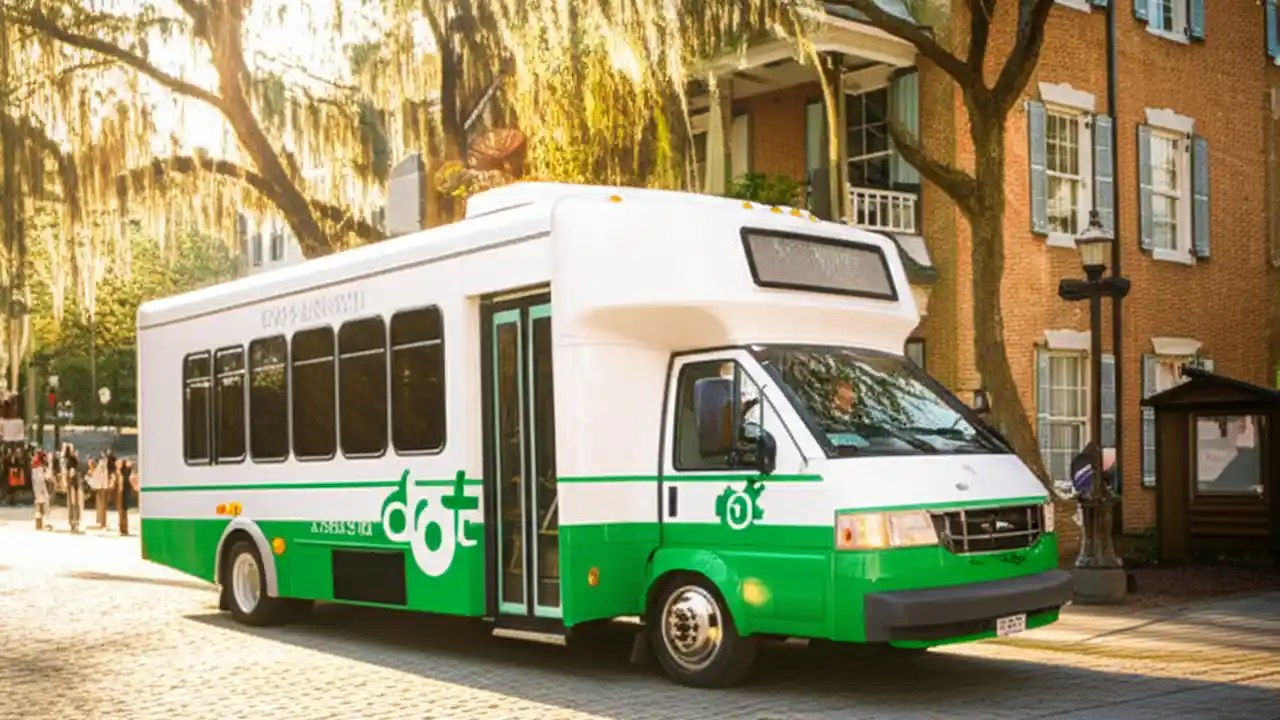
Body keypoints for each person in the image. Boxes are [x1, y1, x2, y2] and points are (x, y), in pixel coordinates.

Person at [63, 444, 82, 533]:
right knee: (74, 503)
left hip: (73, 484)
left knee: (72, 503)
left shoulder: (69, 460)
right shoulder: (70, 460)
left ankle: (73, 522)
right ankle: (74, 522)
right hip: (73, 484)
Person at [117, 459, 134, 536]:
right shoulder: (124, 471)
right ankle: (124, 529)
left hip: (122, 493)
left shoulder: (123, 472)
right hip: (124, 492)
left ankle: (123, 529)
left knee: (123, 512)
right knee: (123, 512)